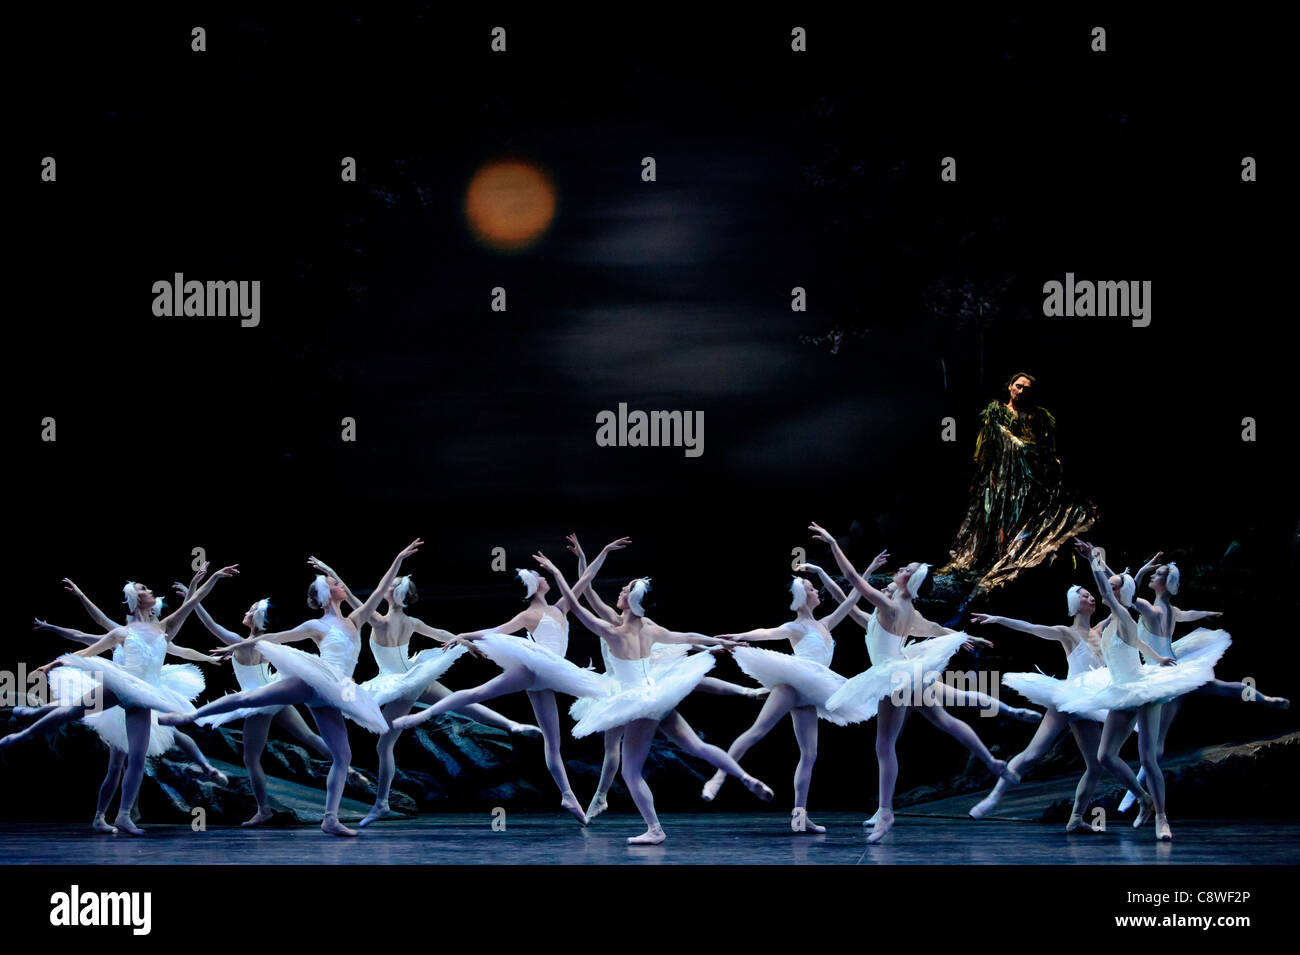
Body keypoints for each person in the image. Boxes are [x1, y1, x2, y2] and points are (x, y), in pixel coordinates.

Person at [945, 372, 1097, 590]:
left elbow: (1047, 448)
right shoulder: (997, 412)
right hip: (1002, 478)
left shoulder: (1040, 417)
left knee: (1026, 519)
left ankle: (1017, 561)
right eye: (1018, 386)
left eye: (1027, 388)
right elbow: (998, 438)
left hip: (1030, 482)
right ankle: (993, 561)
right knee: (997, 519)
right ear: (1009, 387)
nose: (1022, 391)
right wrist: (1021, 447)